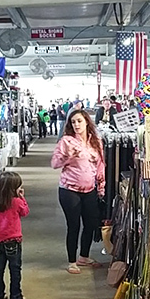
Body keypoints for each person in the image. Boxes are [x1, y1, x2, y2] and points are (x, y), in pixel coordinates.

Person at [51, 109, 106, 274]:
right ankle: (72, 261)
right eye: (73, 122)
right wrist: (68, 157)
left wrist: (101, 188)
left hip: (90, 189)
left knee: (90, 224)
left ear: (87, 122)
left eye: (79, 121)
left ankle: (84, 256)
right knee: (73, 225)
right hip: (69, 190)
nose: (76, 125)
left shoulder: (96, 141)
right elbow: (54, 163)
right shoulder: (66, 141)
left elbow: (100, 166)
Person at [0, 169, 29, 299]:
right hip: (14, 240)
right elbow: (25, 212)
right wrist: (22, 198)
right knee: (15, 268)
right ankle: (15, 295)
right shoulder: (16, 202)